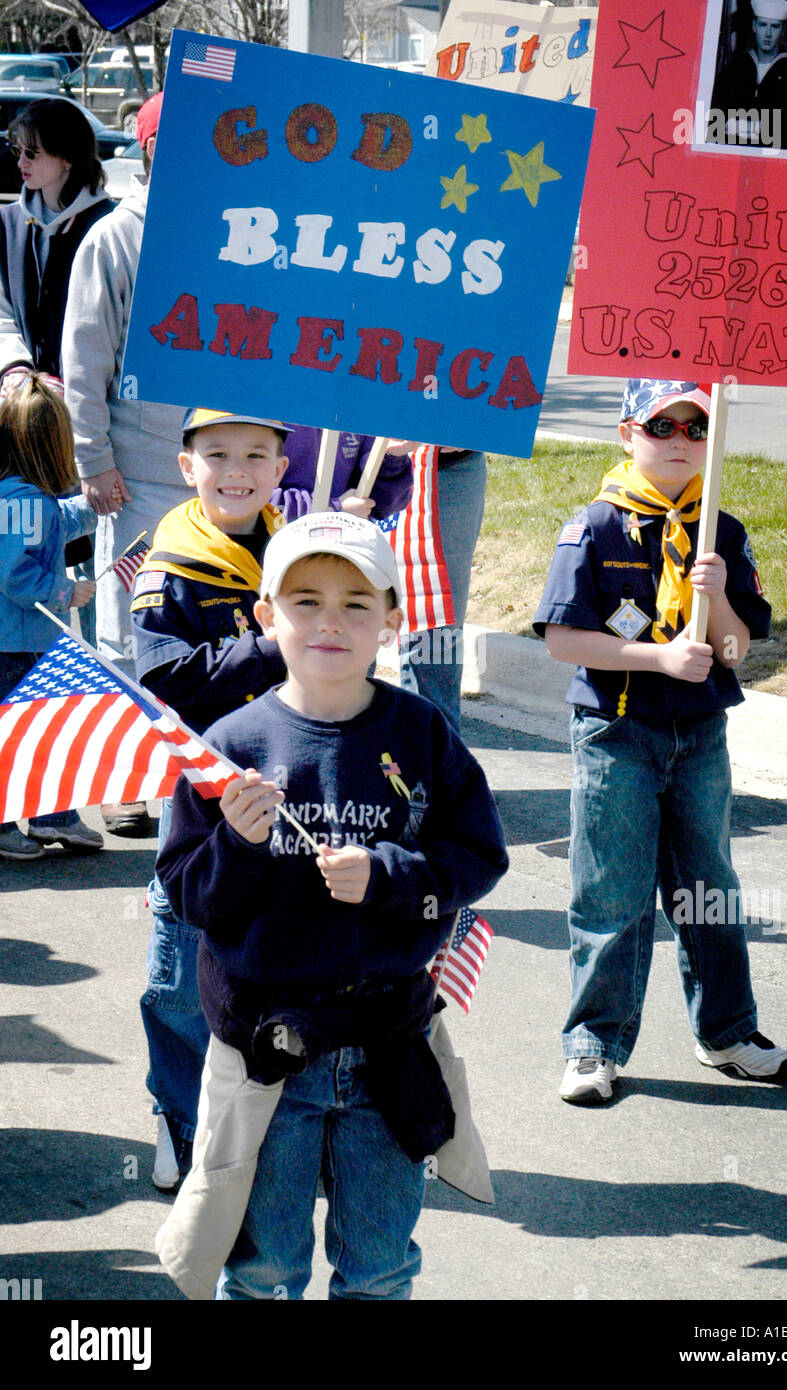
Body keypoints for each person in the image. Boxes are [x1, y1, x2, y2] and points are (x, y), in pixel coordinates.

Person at [156, 512, 509, 1298]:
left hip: (389, 1042)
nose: (330, 622)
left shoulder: (422, 732)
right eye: (304, 600)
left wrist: (391, 876)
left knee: (381, 1265)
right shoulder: (231, 746)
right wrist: (236, 847)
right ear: (265, 619)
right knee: (264, 1268)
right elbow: (186, 895)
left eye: (357, 603)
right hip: (265, 1051)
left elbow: (480, 855)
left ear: (393, 620)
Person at [533, 378, 787, 1105]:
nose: (679, 441)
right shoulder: (594, 526)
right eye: (661, 425)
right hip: (616, 731)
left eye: (695, 428)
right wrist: (657, 658)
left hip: (699, 734)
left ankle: (727, 1031)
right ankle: (594, 1044)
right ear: (627, 434)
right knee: (611, 890)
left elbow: (740, 649)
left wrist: (712, 602)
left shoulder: (722, 532)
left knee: (709, 887)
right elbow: (562, 641)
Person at [131, 406, 289, 1189]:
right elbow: (164, 680)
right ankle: (177, 1119)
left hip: (287, 781)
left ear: (281, 467)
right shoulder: (172, 559)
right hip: (199, 791)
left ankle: (255, 1118)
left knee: (269, 951)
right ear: (187, 464)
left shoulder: (296, 547)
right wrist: (266, 642)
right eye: (217, 453)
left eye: (257, 454)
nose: (238, 470)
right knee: (183, 961)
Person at [61, 90, 187, 837]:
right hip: (135, 473)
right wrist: (93, 460)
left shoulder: (230, 230)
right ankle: (127, 779)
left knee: (206, 629)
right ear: (146, 150)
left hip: (219, 471)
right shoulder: (115, 240)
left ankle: (186, 767)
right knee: (125, 626)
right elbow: (85, 358)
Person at [0, 372, 102, 857]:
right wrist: (67, 591)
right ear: (52, 444)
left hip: (23, 641)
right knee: (31, 734)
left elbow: (57, 522)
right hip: (17, 644)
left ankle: (50, 818)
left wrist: (97, 504)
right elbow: (16, 577)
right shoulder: (27, 501)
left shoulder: (19, 497)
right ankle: (31, 821)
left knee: (37, 731)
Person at [0, 98, 113, 388]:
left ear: (67, 158)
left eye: (32, 153)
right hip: (18, 400)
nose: (20, 162)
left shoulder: (110, 226)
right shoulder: (6, 223)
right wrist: (16, 369)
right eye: (18, 150)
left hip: (90, 403)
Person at [397, 446, 487, 732]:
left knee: (435, 624)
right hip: (350, 448)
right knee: (347, 610)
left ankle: (437, 757)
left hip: (446, 463)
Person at [710, 0, 787, 150]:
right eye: (762, 25)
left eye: (774, 26)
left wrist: (745, 127)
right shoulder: (734, 70)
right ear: (754, 26)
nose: (767, 34)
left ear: (783, 30)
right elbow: (714, 124)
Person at [270, 426, 413, 522]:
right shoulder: (267, 401)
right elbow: (256, 501)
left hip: (341, 552)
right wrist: (333, 510)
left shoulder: (358, 401)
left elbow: (380, 506)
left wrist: (391, 457)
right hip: (270, 552)